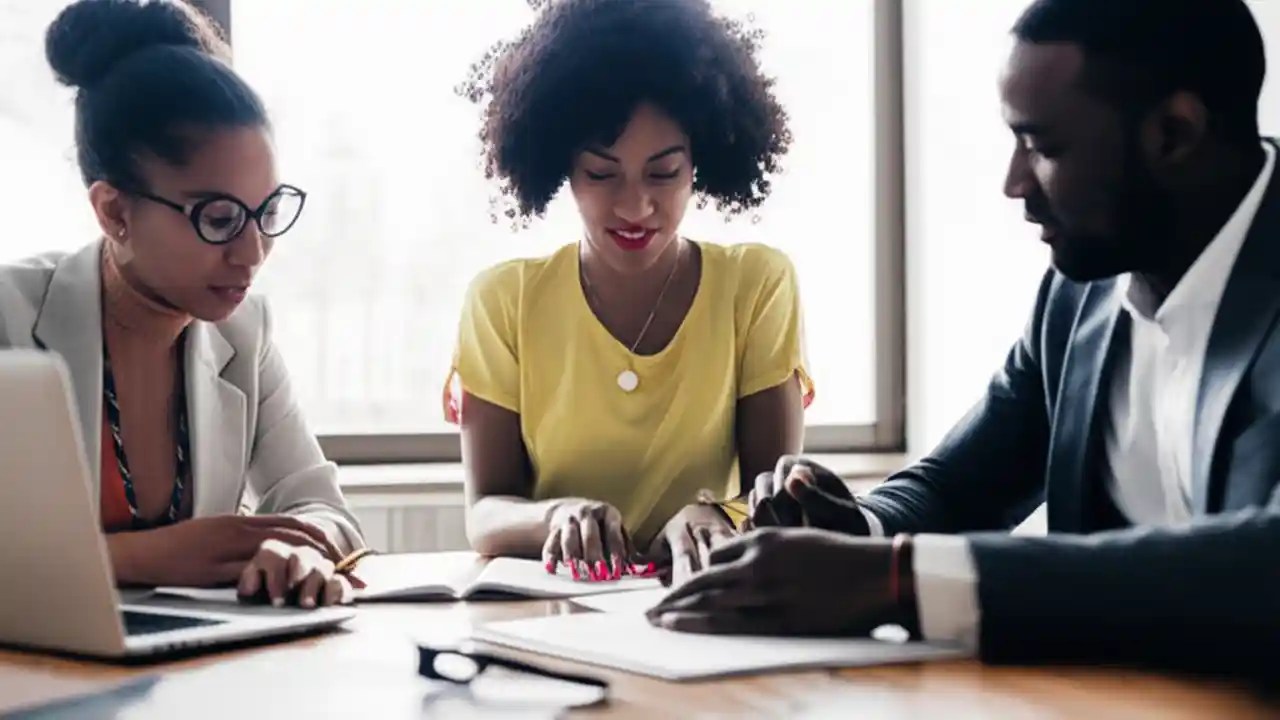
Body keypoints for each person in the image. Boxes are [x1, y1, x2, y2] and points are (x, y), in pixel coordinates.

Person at [650, 0, 1280, 674]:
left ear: (1173, 134)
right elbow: (962, 484)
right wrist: (852, 530)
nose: (1013, 184)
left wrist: (896, 581)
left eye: (1042, 147)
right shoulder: (1079, 293)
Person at [0, 0, 364, 608]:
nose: (253, 252)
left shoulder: (244, 333)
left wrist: (304, 547)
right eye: (218, 217)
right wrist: (150, 557)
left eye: (266, 211)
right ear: (115, 211)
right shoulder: (10, 318)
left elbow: (323, 505)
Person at [449, 0, 811, 583]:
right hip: (555, 610)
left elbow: (772, 493)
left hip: (703, 600)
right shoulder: (503, 300)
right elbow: (486, 514)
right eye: (601, 173)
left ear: (702, 162)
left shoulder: (757, 286)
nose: (635, 206)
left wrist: (715, 513)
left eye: (664, 174)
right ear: (561, 166)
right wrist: (556, 516)